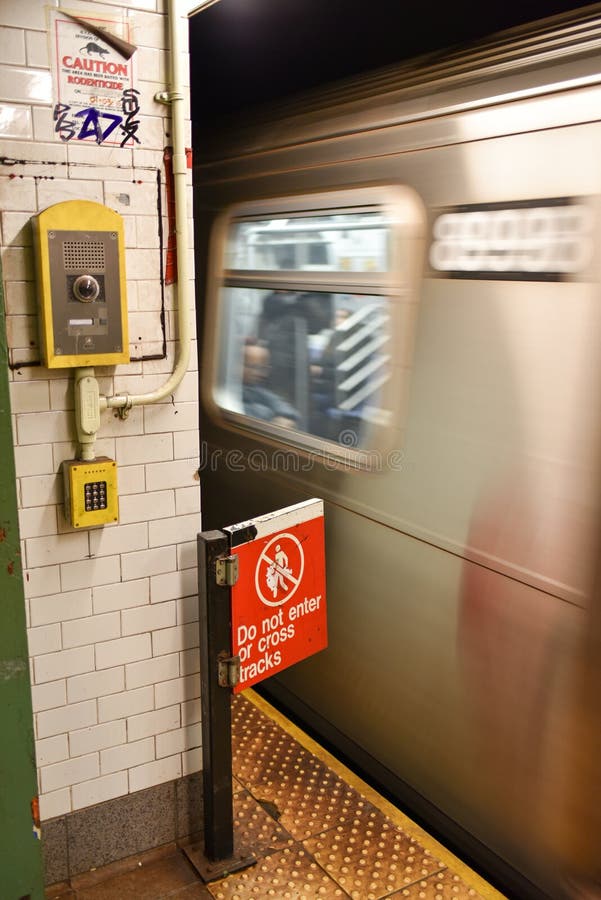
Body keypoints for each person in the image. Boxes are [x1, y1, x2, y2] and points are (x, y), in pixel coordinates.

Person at [241, 340, 298, 427]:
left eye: (264, 368)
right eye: (254, 367)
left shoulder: (254, 388)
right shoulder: (230, 387)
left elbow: (274, 400)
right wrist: (269, 415)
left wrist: (285, 416)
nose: (262, 374)